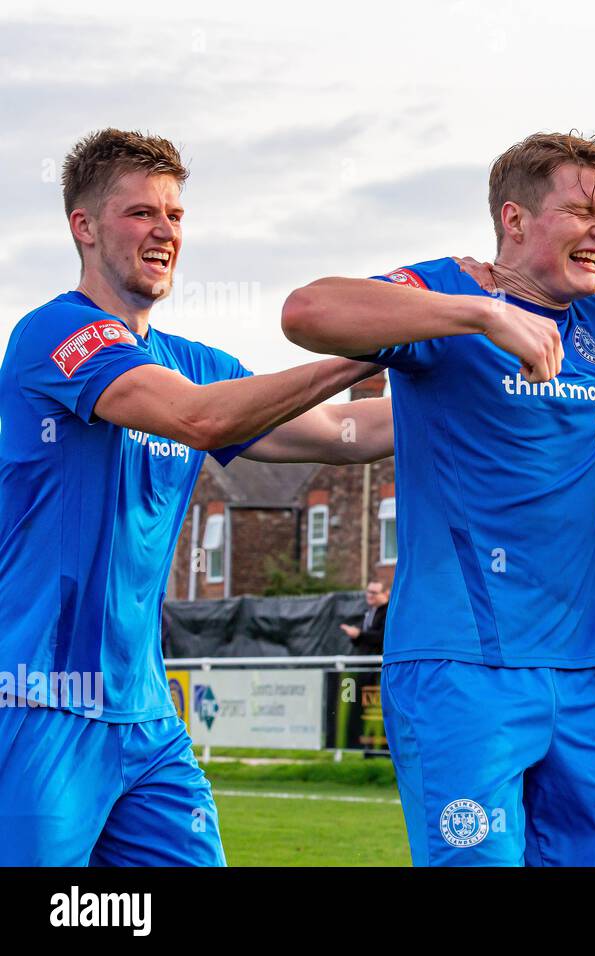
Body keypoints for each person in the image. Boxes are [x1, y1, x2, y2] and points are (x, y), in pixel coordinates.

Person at [281, 132, 595, 866]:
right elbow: (307, 310)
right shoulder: (449, 290)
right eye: (581, 211)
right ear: (514, 219)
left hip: (582, 670)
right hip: (461, 666)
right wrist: (479, 314)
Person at [0, 128, 394, 867]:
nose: (164, 232)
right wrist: (369, 346)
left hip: (146, 719)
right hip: (34, 702)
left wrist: (496, 386)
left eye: (175, 216)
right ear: (83, 227)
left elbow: (348, 431)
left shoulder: (193, 364)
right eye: (141, 213)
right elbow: (199, 418)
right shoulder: (53, 332)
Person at [341, 581, 389, 656]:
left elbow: (383, 637)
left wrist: (359, 634)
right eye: (368, 591)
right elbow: (361, 639)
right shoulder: (369, 611)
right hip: (366, 661)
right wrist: (355, 635)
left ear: (386, 593)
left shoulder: (389, 612)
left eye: (374, 592)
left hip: (380, 662)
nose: (369, 595)